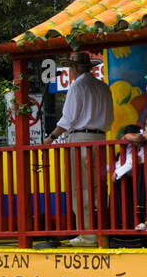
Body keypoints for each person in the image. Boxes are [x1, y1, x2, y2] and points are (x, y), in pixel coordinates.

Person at [44, 50, 114, 246]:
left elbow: (68, 119)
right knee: (98, 187)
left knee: (80, 187)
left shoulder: (77, 86)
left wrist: (51, 137)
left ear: (73, 68)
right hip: (100, 139)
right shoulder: (103, 87)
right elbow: (109, 119)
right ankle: (103, 231)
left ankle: (88, 234)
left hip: (81, 138)